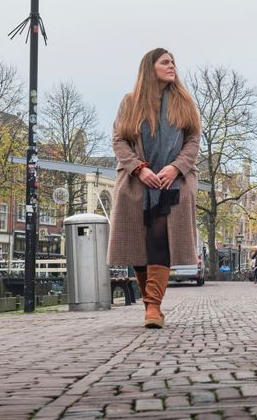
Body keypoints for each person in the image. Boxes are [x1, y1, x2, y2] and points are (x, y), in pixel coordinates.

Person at [108, 48, 202, 328]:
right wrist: (139, 168)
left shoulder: (184, 102)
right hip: (137, 183)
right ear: (150, 68)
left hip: (172, 183)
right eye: (165, 62)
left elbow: (193, 140)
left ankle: (153, 307)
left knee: (159, 238)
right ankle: (151, 305)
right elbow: (119, 140)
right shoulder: (130, 102)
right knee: (137, 243)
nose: (172, 66)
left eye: (173, 62)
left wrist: (176, 167)